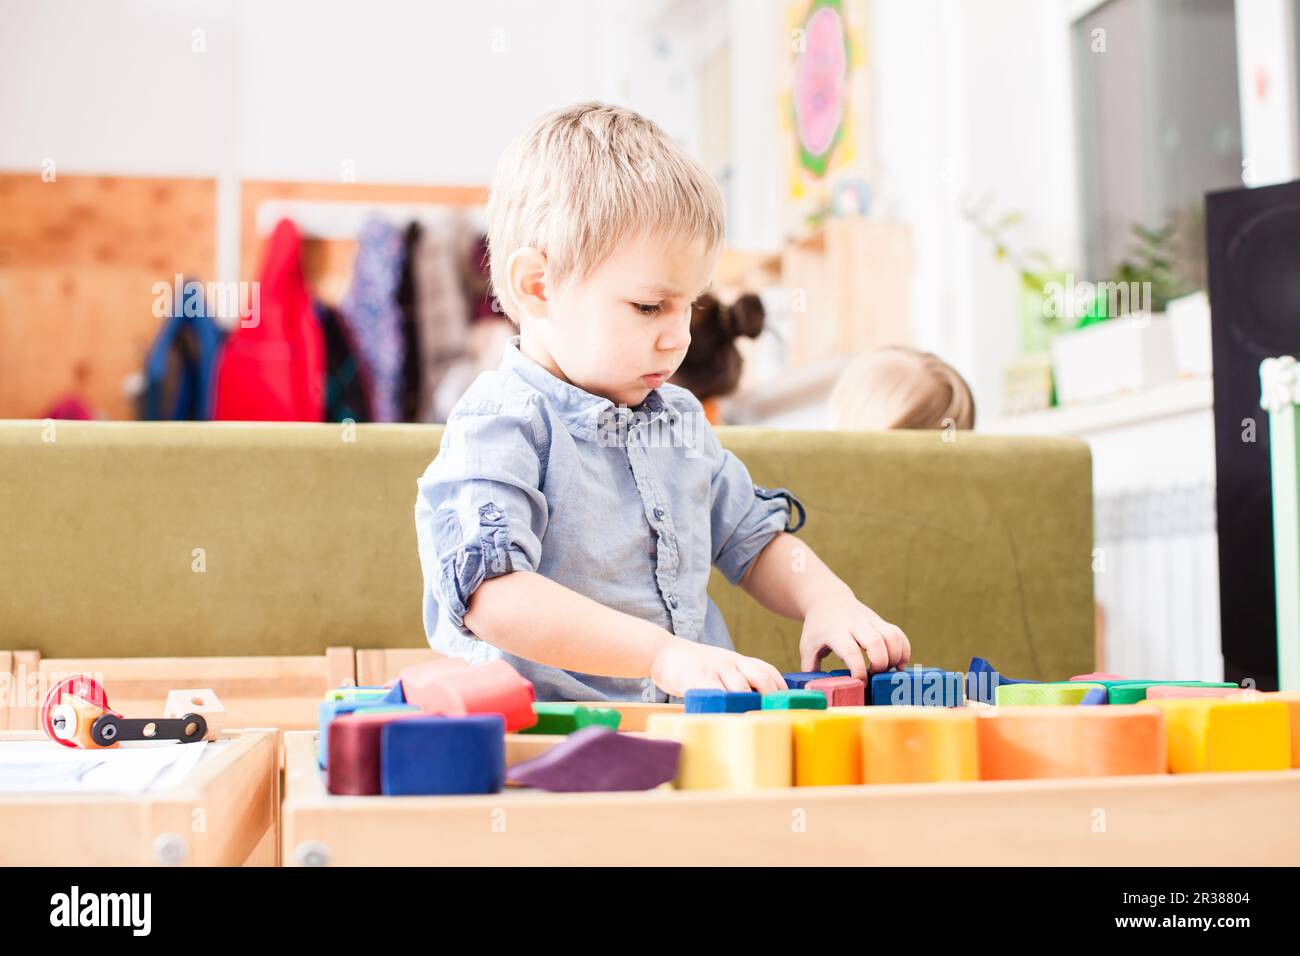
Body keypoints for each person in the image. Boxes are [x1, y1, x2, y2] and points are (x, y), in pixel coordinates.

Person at [414, 102, 910, 702]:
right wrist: (661, 656)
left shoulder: (678, 421)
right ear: (538, 286)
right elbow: (493, 597)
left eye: (691, 306)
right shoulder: (502, 423)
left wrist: (828, 600)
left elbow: (752, 539)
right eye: (650, 307)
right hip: (549, 750)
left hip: (691, 734)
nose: (680, 337)